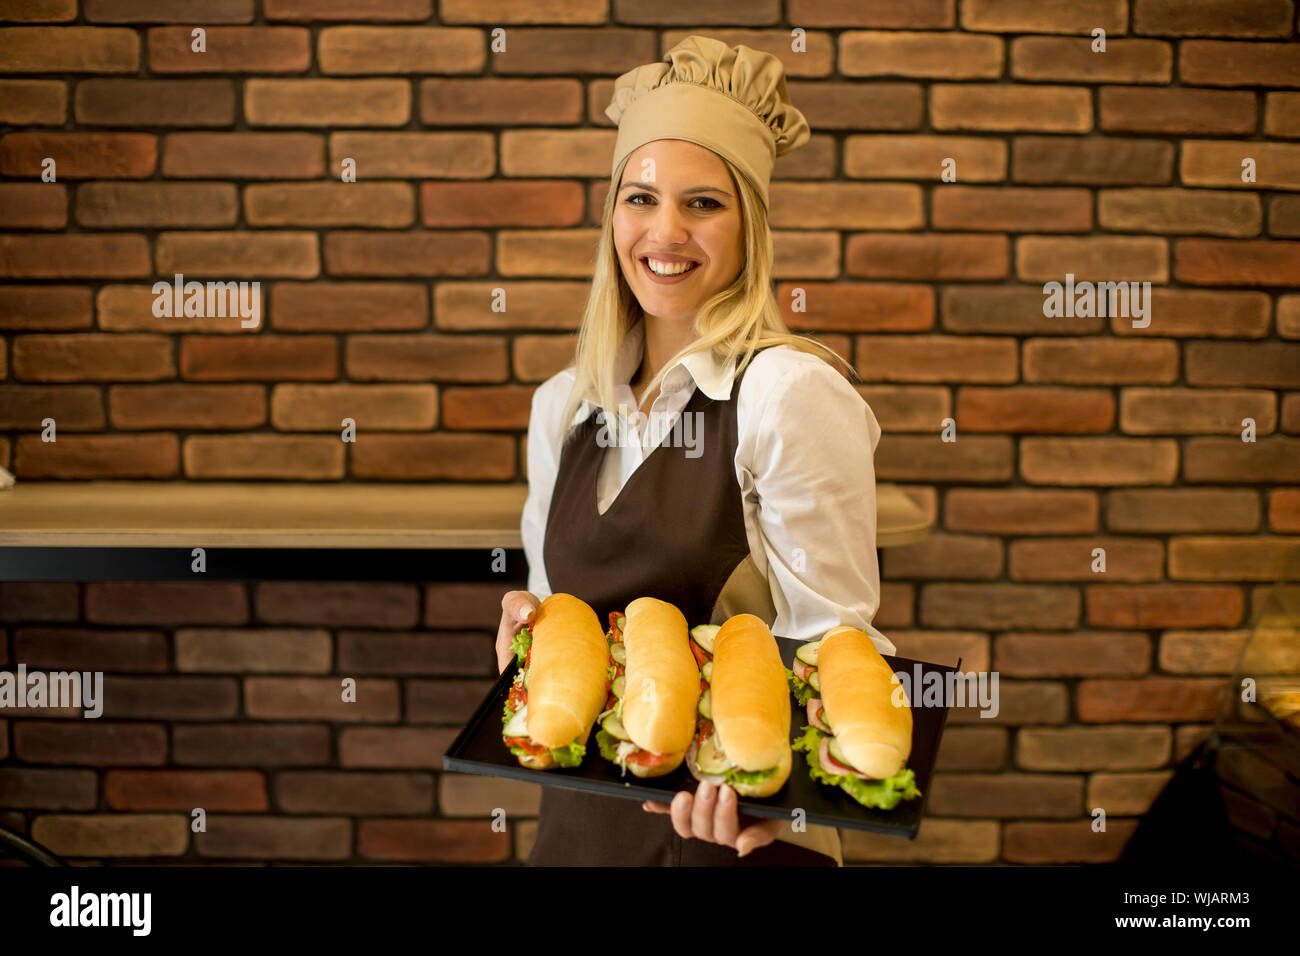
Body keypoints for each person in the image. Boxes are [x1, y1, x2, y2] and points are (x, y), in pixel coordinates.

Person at [494, 35, 896, 867]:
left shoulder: (786, 391)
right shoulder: (563, 404)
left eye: (703, 203)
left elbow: (836, 646)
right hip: (577, 829)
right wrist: (520, 657)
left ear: (751, 221)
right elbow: (561, 618)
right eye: (640, 197)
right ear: (612, 214)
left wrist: (784, 811)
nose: (665, 232)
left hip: (727, 833)